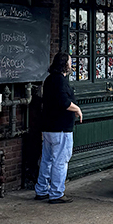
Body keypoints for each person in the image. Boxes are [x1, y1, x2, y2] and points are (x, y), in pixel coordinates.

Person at [35, 52, 82, 204]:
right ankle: (56, 193)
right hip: (61, 128)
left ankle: (41, 190)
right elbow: (64, 102)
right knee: (60, 161)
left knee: (46, 160)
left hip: (48, 127)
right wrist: (77, 109)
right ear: (64, 64)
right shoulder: (60, 81)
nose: (71, 64)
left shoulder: (49, 80)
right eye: (70, 61)